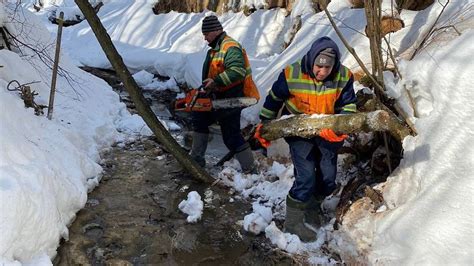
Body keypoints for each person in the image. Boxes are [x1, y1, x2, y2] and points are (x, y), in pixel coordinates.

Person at [257, 36, 357, 242]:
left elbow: (348, 106)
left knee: (328, 178)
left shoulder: (344, 76)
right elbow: (274, 99)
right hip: (298, 130)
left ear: (334, 65)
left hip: (328, 131)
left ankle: (312, 207)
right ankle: (292, 223)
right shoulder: (291, 73)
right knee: (306, 177)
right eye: (318, 67)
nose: (322, 72)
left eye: (327, 68)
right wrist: (264, 124)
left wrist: (339, 128)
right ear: (311, 60)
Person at [189, 15, 259, 174]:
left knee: (231, 135)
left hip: (232, 98)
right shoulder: (216, 48)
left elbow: (237, 71)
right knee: (199, 117)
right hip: (219, 97)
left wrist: (215, 82)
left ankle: (251, 170)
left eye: (206, 34)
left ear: (214, 31)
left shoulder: (230, 47)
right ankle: (196, 160)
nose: (205, 38)